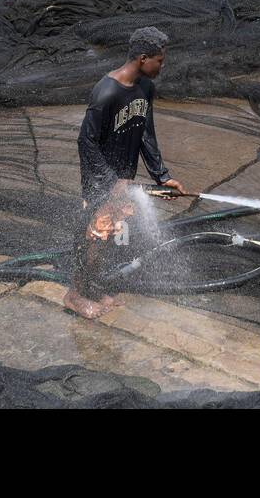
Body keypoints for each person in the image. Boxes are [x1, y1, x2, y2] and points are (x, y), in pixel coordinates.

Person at [65, 25, 183, 319]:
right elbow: (86, 142)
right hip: (100, 180)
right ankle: (75, 294)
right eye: (160, 60)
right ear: (143, 58)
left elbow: (146, 134)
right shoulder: (106, 92)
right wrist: (110, 180)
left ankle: (94, 288)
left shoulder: (145, 88)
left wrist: (162, 176)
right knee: (94, 236)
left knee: (112, 235)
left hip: (123, 180)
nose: (162, 65)